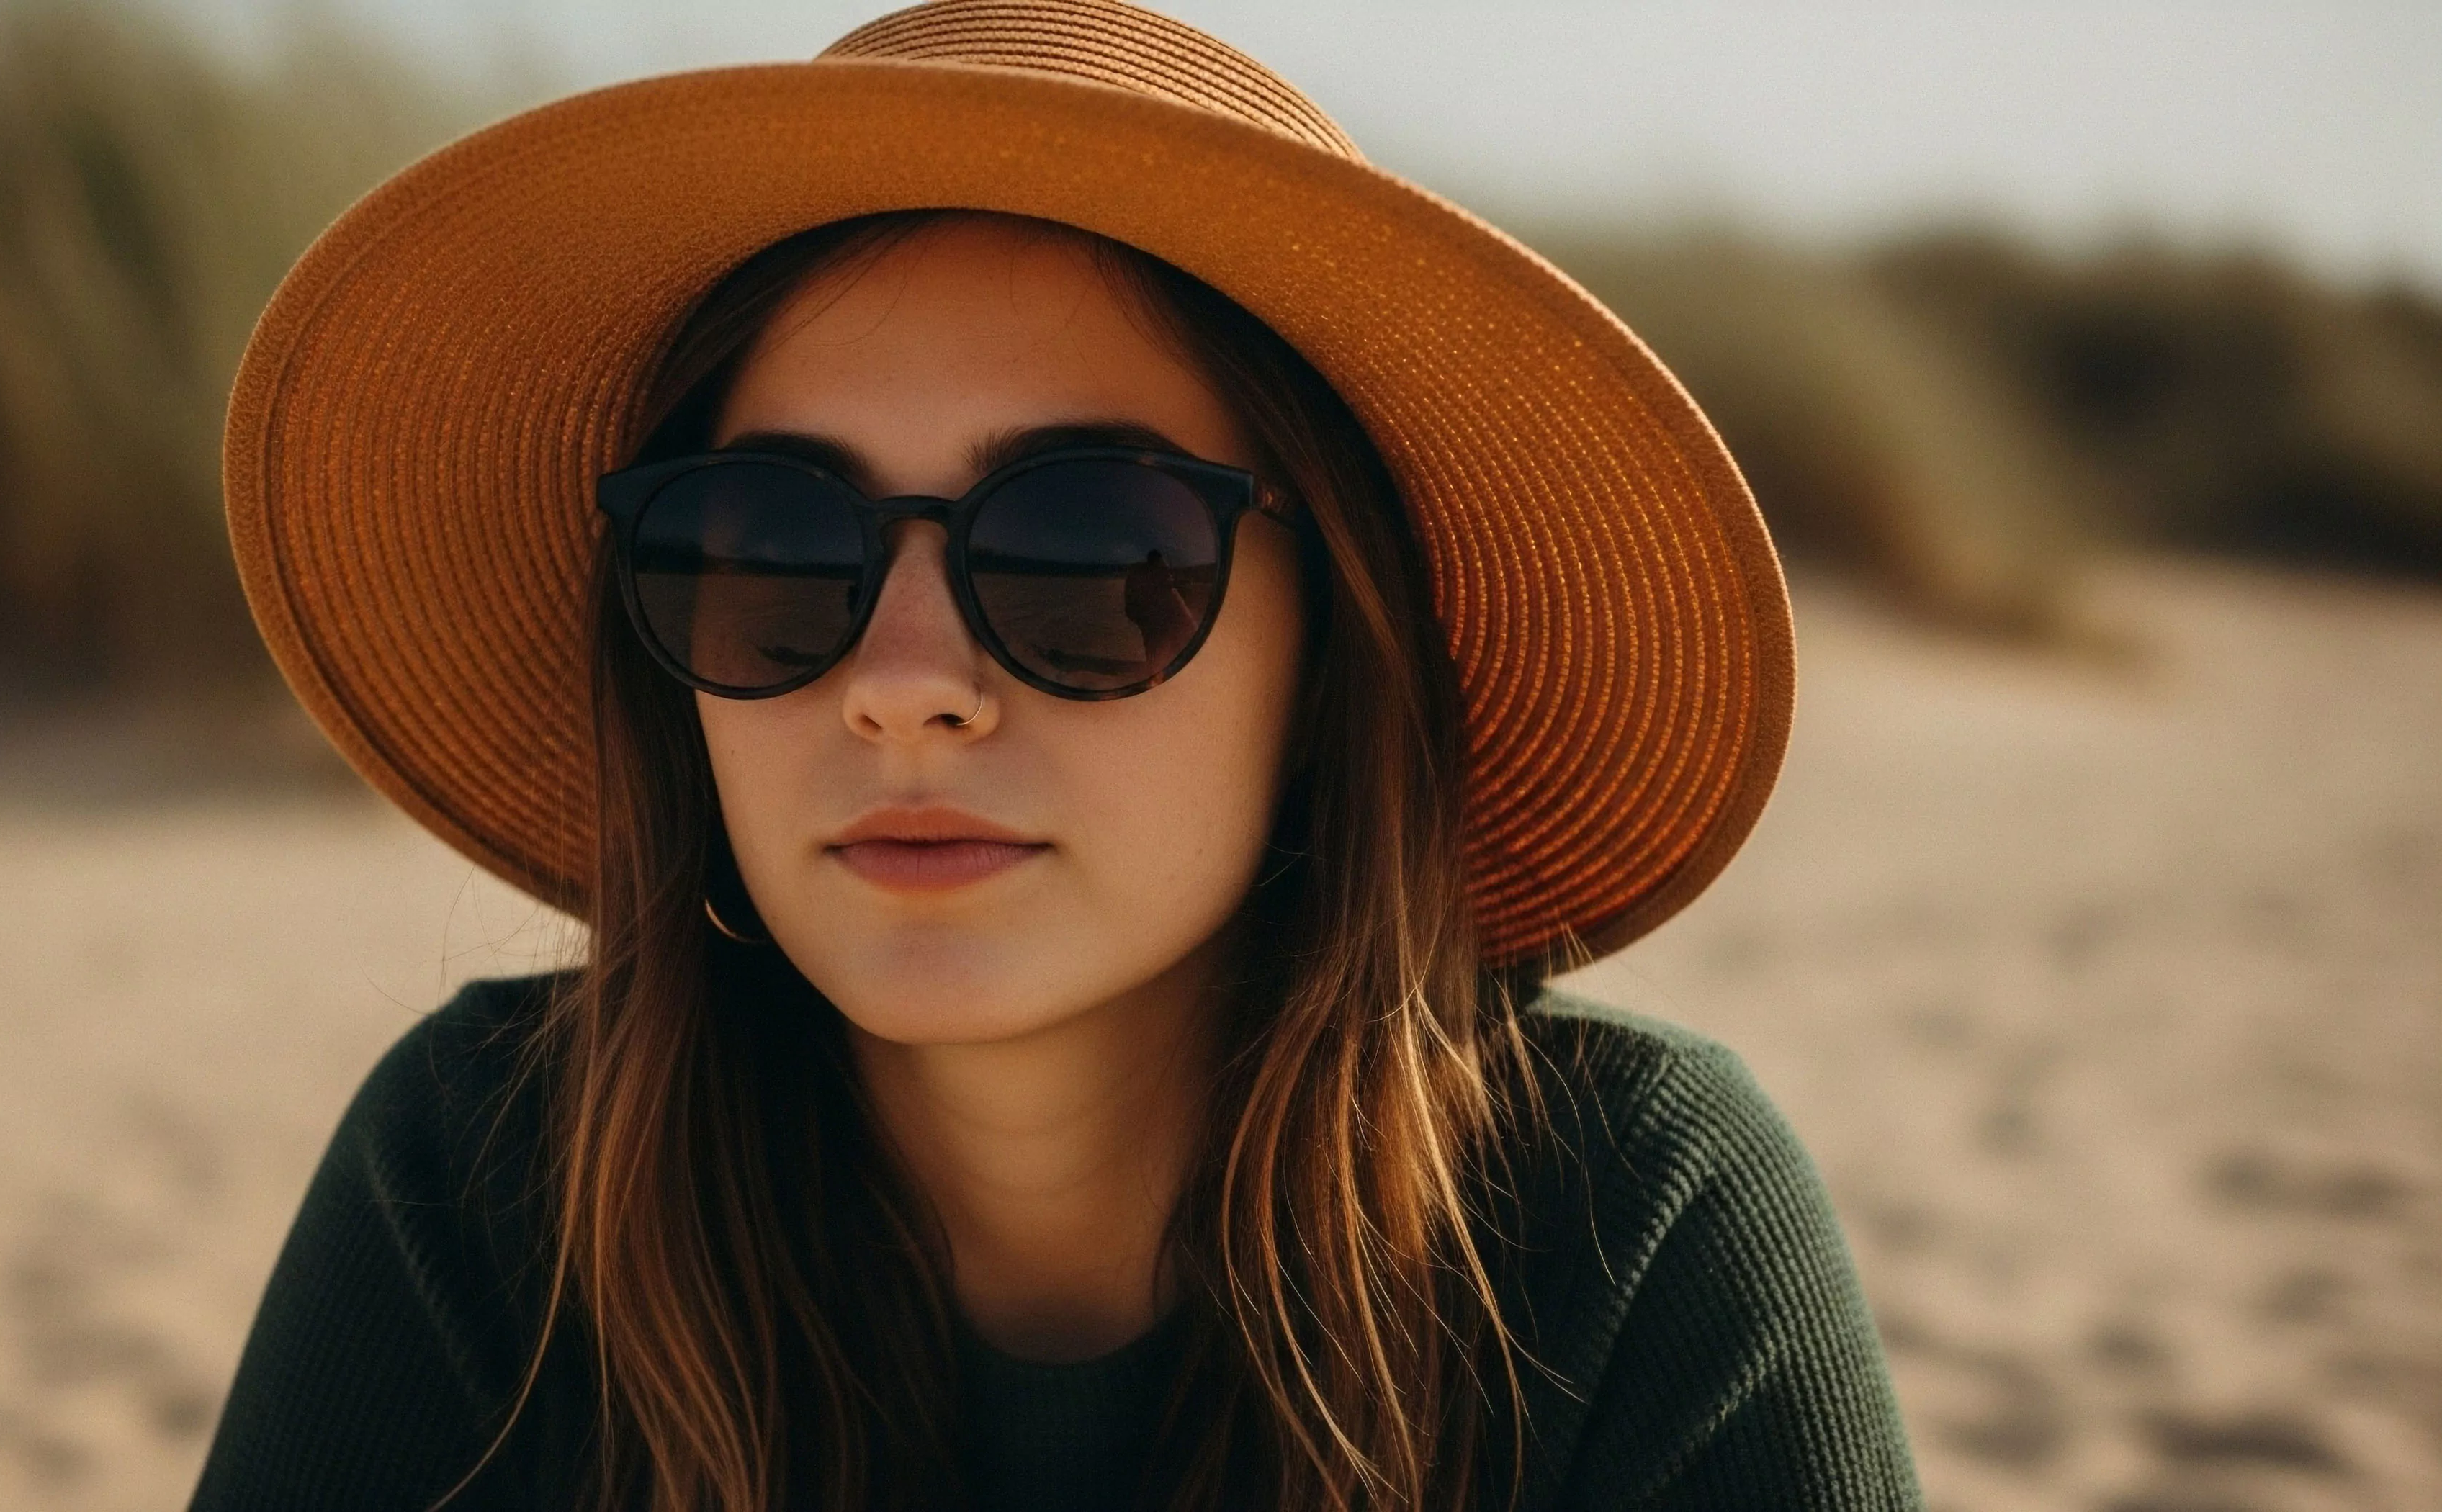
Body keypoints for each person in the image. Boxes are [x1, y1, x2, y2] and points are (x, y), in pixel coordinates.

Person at [194, 2, 1921, 1508]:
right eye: (773, 550)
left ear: (1331, 657)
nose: (904, 688)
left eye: (1090, 554)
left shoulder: (1626, 1228)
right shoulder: (491, 1183)